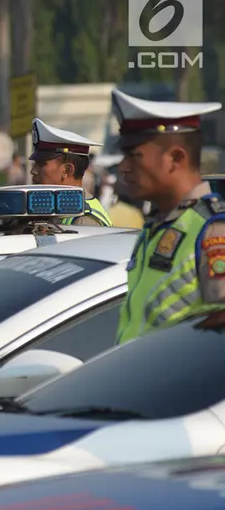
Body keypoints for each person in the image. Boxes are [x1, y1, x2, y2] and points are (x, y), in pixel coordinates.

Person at [112, 89, 225, 344]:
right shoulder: (157, 226)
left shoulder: (212, 230)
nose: (123, 167)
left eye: (134, 155)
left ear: (176, 158)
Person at [28, 119, 113, 226]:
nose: (33, 171)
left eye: (41, 164)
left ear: (67, 170)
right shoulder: (57, 209)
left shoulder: (83, 220)